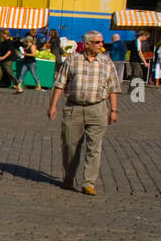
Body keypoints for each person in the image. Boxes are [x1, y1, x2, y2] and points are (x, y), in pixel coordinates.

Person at [48, 30, 120, 195]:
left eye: (102, 42)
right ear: (87, 44)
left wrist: (114, 110)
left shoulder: (106, 62)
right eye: (97, 42)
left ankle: (89, 183)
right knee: (69, 145)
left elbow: (113, 88)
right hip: (74, 108)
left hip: (98, 108)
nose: (101, 45)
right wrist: (53, 105)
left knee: (94, 147)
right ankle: (69, 176)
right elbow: (60, 83)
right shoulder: (73, 60)